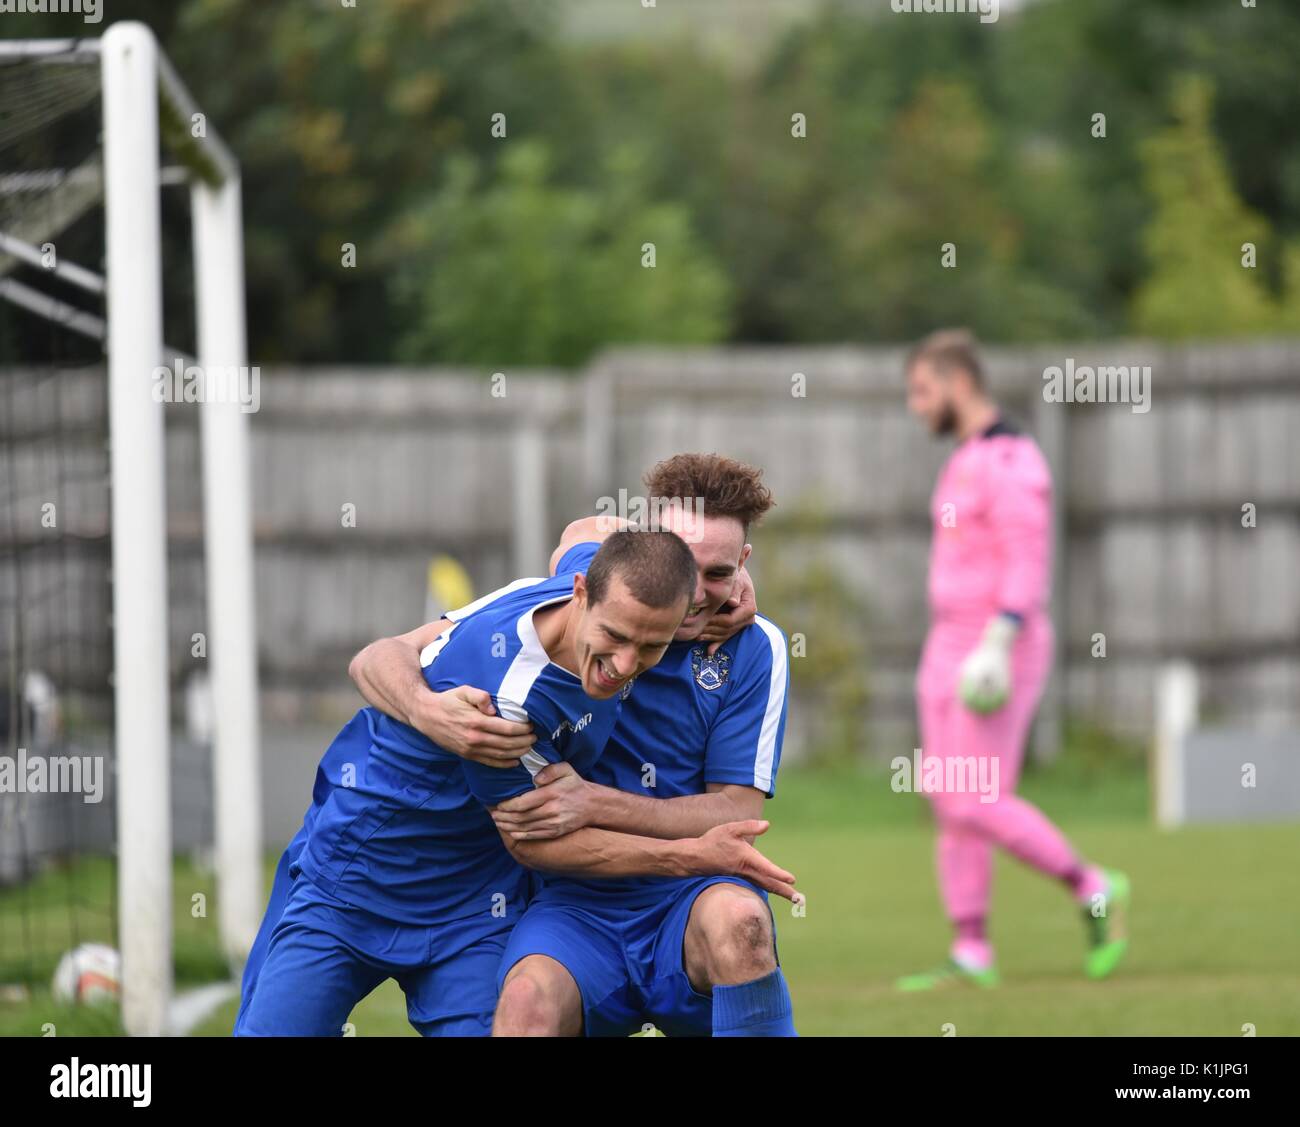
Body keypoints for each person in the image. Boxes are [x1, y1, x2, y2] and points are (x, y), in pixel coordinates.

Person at [234, 528, 794, 1035]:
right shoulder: (505, 702)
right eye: (616, 636)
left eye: (651, 646)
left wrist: (723, 580)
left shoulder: (572, 584)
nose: (626, 664)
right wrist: (693, 855)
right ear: (581, 592)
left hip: (472, 912)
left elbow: (583, 531)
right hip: (354, 887)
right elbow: (534, 839)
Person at [355, 453, 797, 1036]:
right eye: (682, 568)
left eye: (717, 574)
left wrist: (593, 801)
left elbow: (737, 813)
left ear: (744, 563)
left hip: (695, 890)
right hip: (577, 900)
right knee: (525, 1006)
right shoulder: (577, 609)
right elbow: (579, 534)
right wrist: (427, 710)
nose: (693, 595)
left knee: (742, 923)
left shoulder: (754, 647)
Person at [897, 329, 1130, 990]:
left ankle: (1094, 883)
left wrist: (999, 638)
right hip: (944, 642)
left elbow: (1027, 562)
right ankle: (971, 946)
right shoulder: (964, 456)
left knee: (976, 795)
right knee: (947, 798)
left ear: (958, 382)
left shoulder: (1014, 460)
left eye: (922, 389)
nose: (916, 406)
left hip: (996, 644)